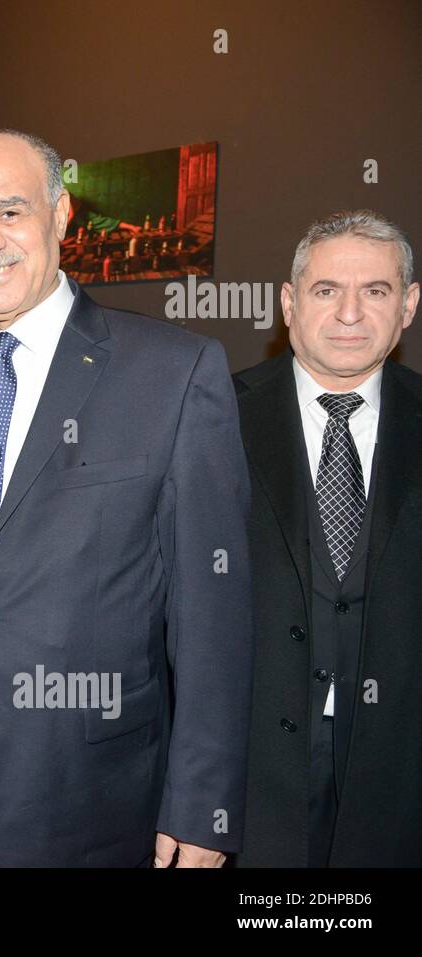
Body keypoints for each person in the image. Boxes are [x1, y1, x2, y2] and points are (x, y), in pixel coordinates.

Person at [0, 129, 254, 867]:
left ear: (61, 214)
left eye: (9, 211)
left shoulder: (173, 372)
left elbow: (211, 610)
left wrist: (204, 803)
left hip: (86, 798)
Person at [234, 210, 421, 867]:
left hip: (400, 777)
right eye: (326, 290)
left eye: (375, 291)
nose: (349, 313)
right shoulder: (214, 416)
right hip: (252, 772)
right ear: (288, 304)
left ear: (408, 306)